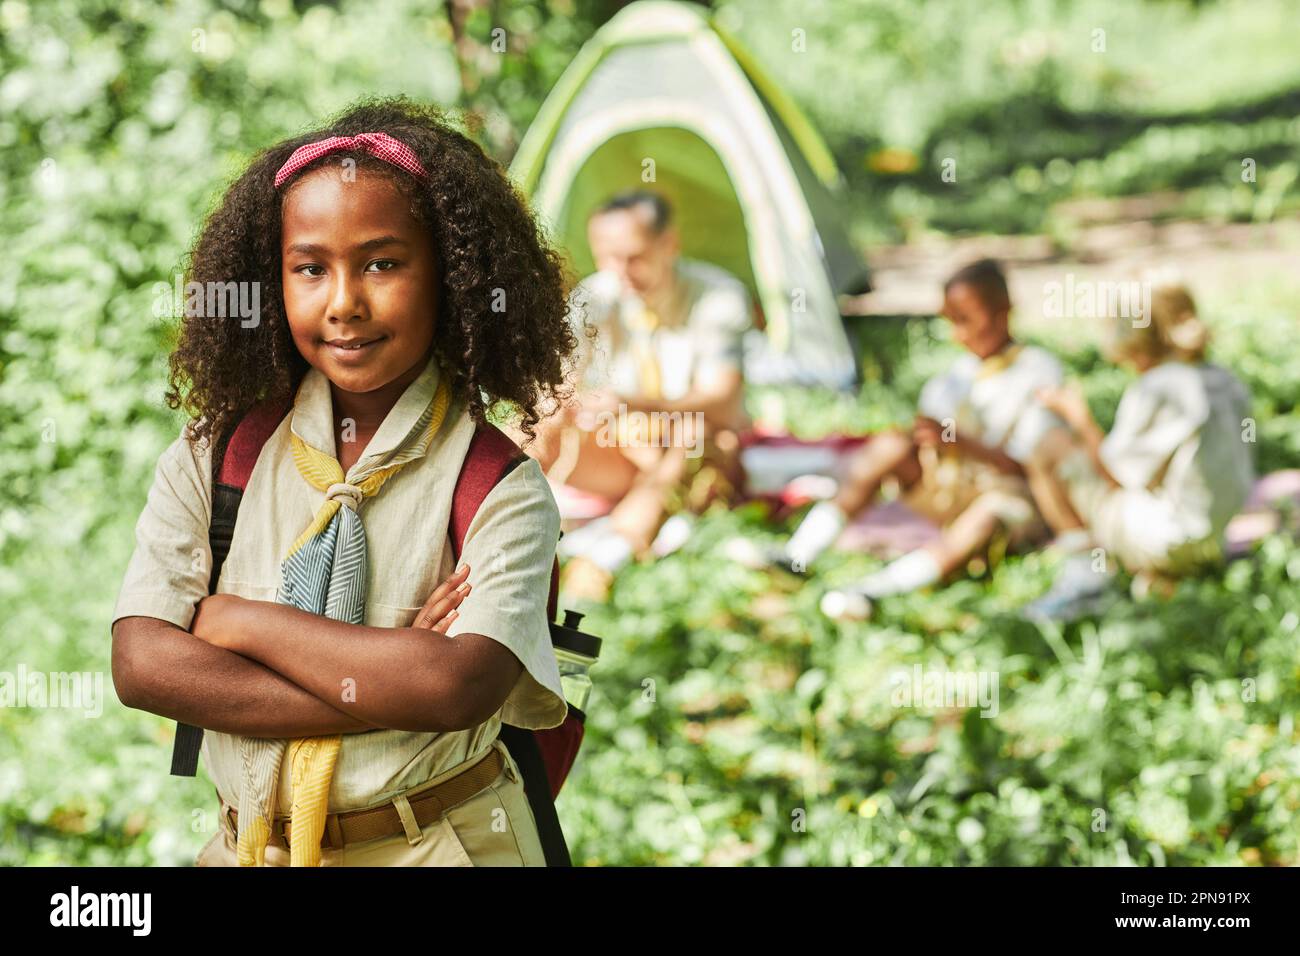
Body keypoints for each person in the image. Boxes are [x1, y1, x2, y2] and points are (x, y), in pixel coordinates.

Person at [109, 98, 578, 866]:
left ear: (451, 280)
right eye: (310, 268)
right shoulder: (215, 457)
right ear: (274, 280)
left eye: (383, 263)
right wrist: (389, 672)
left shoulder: (497, 486)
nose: (344, 302)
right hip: (249, 848)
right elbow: (142, 664)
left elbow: (456, 689)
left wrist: (240, 623)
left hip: (442, 844)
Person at [754, 259, 1063, 620]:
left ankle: (875, 592)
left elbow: (1036, 467)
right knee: (890, 443)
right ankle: (800, 552)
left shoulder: (1037, 372)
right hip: (943, 485)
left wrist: (963, 445)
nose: (957, 334)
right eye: (951, 320)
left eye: (966, 319)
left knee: (986, 518)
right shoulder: (958, 374)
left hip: (1001, 491)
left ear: (1002, 312)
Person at [525, 190, 750, 601]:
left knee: (693, 438)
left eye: (634, 257)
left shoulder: (716, 296)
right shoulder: (597, 295)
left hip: (698, 448)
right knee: (540, 419)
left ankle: (606, 556)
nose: (621, 272)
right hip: (626, 450)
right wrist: (563, 409)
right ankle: (485, 527)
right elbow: (558, 384)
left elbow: (722, 396)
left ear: (671, 245)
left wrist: (634, 403)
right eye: (607, 257)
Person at [1023, 283, 1253, 617]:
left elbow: (1115, 476)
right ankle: (1162, 575)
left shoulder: (1157, 387)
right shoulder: (1225, 379)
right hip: (1215, 536)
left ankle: (1086, 580)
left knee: (1048, 447)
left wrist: (1079, 418)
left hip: (1172, 540)